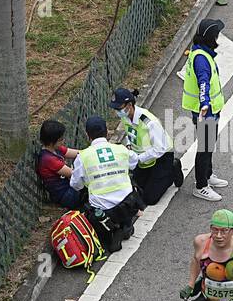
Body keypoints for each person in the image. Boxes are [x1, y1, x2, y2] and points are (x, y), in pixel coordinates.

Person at [68, 115, 143, 252]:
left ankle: (111, 232)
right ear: (107, 132)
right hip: (128, 204)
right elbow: (134, 163)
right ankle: (126, 225)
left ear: (87, 135)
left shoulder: (83, 156)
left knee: (86, 200)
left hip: (104, 211)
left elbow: (75, 184)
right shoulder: (120, 149)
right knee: (128, 179)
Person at [181, 18, 231, 201]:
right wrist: (205, 104)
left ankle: (208, 174)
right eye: (217, 34)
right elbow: (203, 83)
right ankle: (201, 185)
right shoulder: (201, 59)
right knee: (205, 147)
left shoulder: (200, 52)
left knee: (209, 144)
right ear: (211, 37)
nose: (219, 37)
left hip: (209, 110)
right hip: (205, 111)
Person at [110, 87, 181, 205]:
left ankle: (173, 168)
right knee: (137, 192)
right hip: (144, 160)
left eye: (119, 108)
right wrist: (128, 146)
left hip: (161, 157)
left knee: (150, 199)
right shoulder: (125, 117)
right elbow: (130, 134)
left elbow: (160, 148)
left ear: (129, 105)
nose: (117, 112)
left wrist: (138, 158)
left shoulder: (148, 122)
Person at [35, 119, 87, 210]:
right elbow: (74, 173)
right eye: (60, 139)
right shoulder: (48, 159)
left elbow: (79, 153)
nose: (63, 141)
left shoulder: (56, 149)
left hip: (71, 187)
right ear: (52, 142)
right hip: (65, 195)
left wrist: (92, 153)